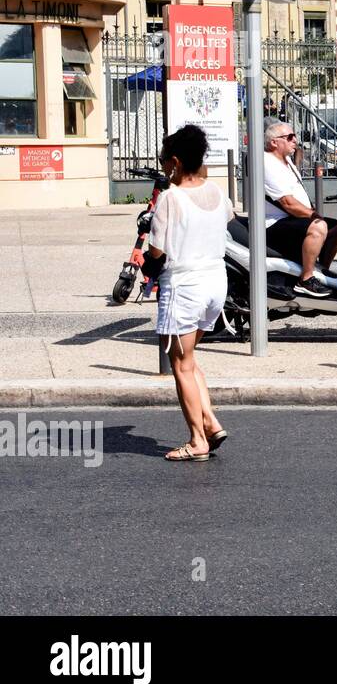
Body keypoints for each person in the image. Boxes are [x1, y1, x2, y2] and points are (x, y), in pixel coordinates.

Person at [144, 125, 232, 463]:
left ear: (177, 162)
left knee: (180, 365)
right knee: (190, 358)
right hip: (215, 283)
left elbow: (156, 252)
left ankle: (197, 440)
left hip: (184, 287)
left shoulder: (170, 197)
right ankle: (210, 421)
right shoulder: (217, 192)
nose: (164, 167)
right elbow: (225, 221)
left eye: (166, 161)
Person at [264, 120, 337, 298]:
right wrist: (313, 215)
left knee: (336, 228)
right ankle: (305, 280)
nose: (295, 140)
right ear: (274, 142)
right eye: (290, 137)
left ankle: (320, 271)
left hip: (293, 219)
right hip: (275, 223)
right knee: (319, 226)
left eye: (295, 136)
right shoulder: (267, 163)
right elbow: (287, 203)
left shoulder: (285, 161)